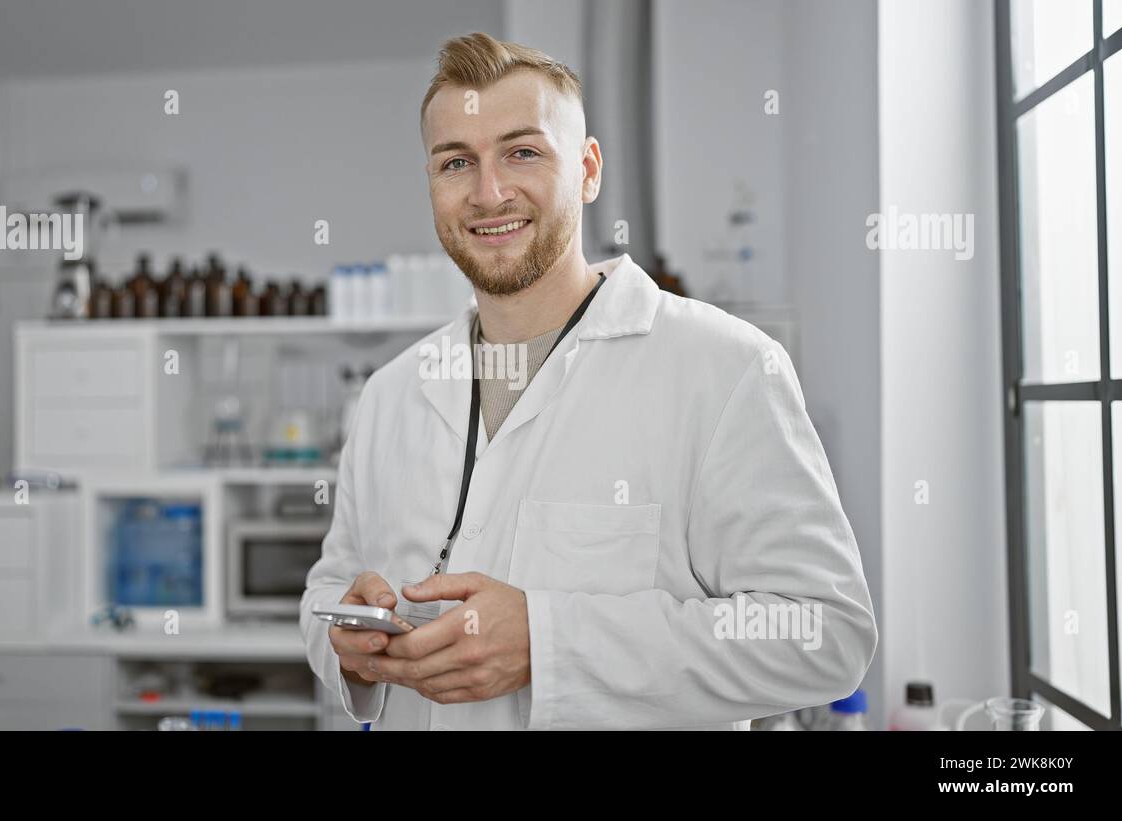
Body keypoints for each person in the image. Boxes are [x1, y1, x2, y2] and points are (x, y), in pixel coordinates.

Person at [299, 32, 876, 730]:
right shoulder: (391, 394)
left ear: (589, 169)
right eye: (457, 162)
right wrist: (349, 645)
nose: (489, 192)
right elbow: (328, 588)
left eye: (523, 152)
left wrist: (551, 643)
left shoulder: (725, 369)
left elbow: (825, 633)